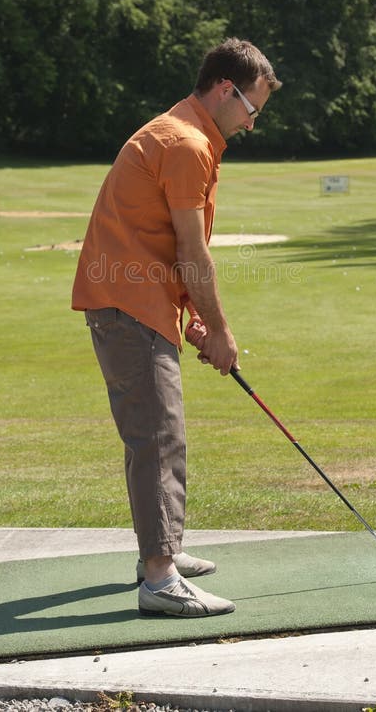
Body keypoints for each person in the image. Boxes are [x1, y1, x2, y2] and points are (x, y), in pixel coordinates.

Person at [72, 37, 281, 617]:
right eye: (251, 109)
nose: (251, 123)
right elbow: (192, 250)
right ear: (225, 90)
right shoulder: (186, 142)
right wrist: (220, 330)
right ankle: (160, 579)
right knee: (158, 438)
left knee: (158, 434)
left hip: (135, 300)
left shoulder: (184, 134)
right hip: (127, 305)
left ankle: (160, 554)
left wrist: (189, 313)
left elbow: (161, 238)